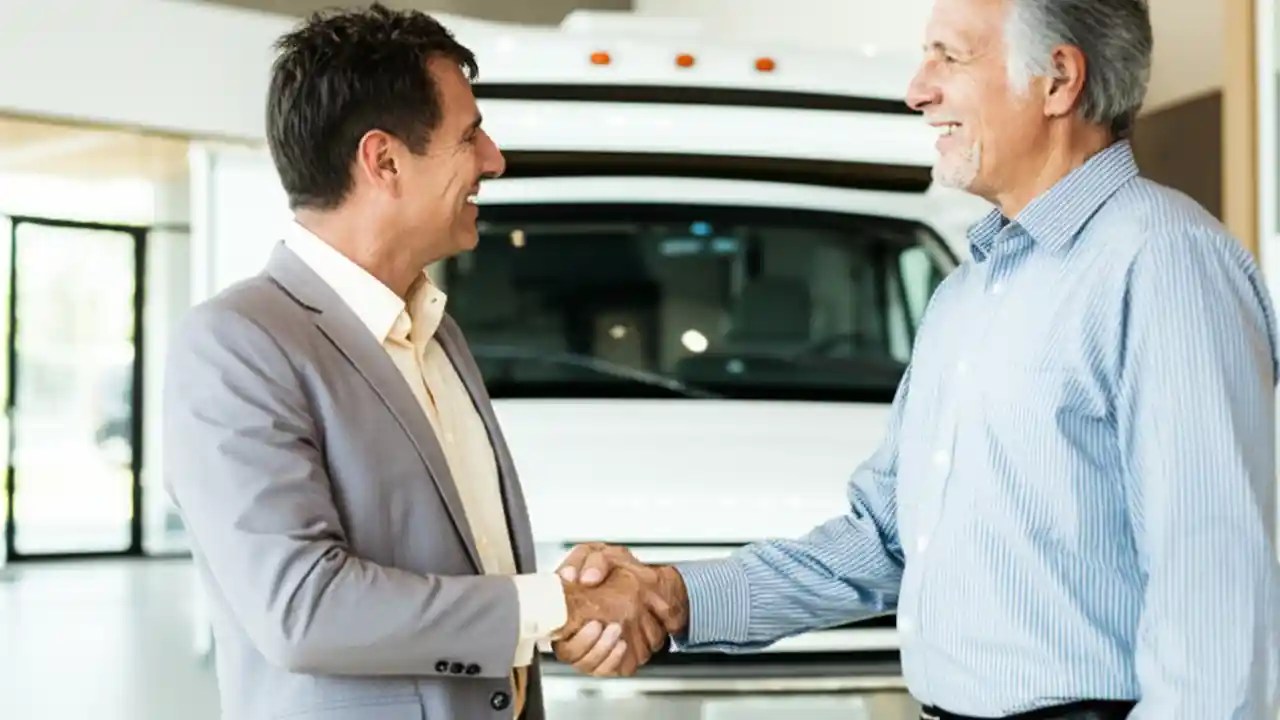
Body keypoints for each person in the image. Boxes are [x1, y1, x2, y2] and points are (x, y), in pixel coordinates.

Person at [552, 0, 1280, 717]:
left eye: (949, 57)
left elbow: (1214, 606)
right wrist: (671, 594)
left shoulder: (1167, 266)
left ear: (1058, 79)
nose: (917, 89)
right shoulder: (967, 293)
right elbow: (885, 540)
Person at [162, 6, 661, 719]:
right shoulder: (235, 345)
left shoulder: (437, 329)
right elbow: (304, 606)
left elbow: (467, 569)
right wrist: (558, 603)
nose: (494, 159)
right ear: (384, 161)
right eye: (470, 135)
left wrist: (563, 608)